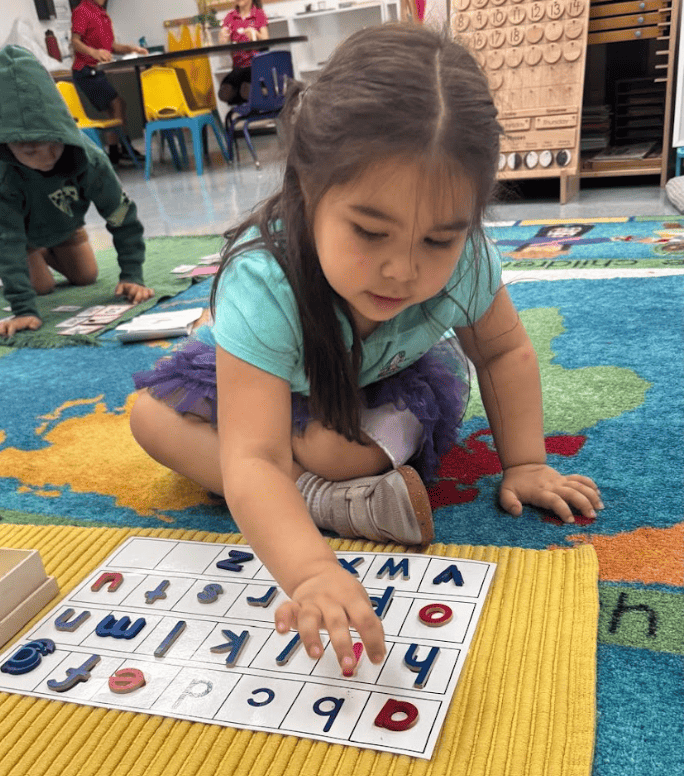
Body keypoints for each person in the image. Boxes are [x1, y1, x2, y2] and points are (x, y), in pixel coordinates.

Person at [129, 25, 602, 673]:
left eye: (438, 240)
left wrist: (524, 463)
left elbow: (502, 354)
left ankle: (313, 486)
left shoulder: (466, 261)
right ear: (307, 187)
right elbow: (255, 455)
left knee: (338, 453)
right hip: (271, 378)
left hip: (384, 382)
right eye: (370, 232)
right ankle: (321, 502)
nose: (402, 270)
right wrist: (311, 569)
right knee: (148, 418)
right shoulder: (264, 279)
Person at [0, 45, 154, 339]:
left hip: (64, 224)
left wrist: (132, 275)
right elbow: (8, 241)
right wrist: (23, 309)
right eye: (29, 151)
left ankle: (48, 250)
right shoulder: (5, 174)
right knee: (42, 287)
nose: (46, 159)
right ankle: (36, 253)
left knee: (86, 276)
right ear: (7, 146)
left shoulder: (90, 158)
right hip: (21, 236)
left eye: (54, 145)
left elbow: (122, 215)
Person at [71, 0, 148, 166]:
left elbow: (111, 46)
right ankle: (121, 149)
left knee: (115, 108)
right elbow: (75, 41)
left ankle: (116, 152)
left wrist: (132, 49)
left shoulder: (101, 13)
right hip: (85, 71)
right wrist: (94, 52)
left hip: (97, 70)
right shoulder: (82, 10)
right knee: (117, 104)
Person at [217, 0, 269, 106]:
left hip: (254, 67)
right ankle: (248, 100)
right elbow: (223, 37)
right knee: (224, 93)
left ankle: (253, 101)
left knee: (246, 89)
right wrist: (222, 37)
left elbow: (266, 39)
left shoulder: (259, 14)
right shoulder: (230, 16)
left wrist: (255, 34)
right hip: (238, 68)